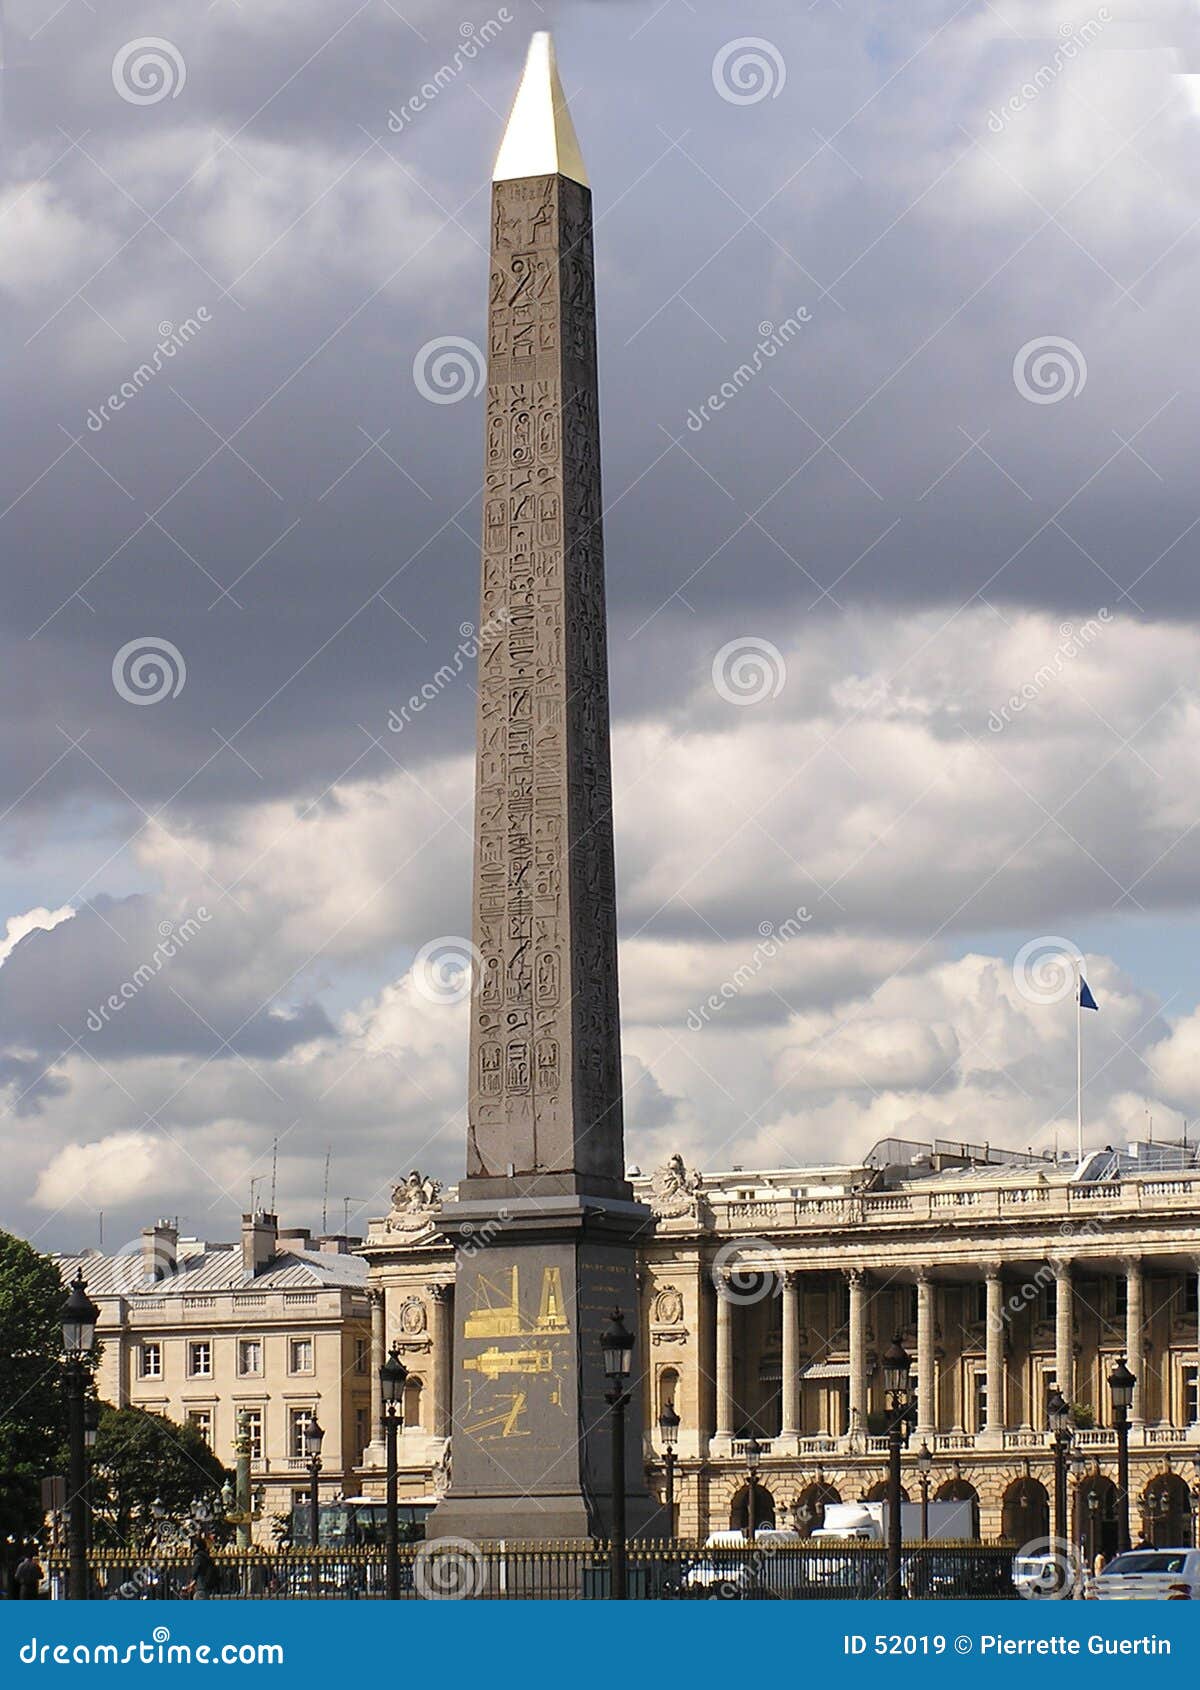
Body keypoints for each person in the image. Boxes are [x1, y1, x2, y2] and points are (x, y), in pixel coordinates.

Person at [182, 1535, 215, 1600]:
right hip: (206, 1585)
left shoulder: (198, 1557)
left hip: (200, 1586)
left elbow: (196, 1571)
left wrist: (191, 1583)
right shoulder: (206, 1556)